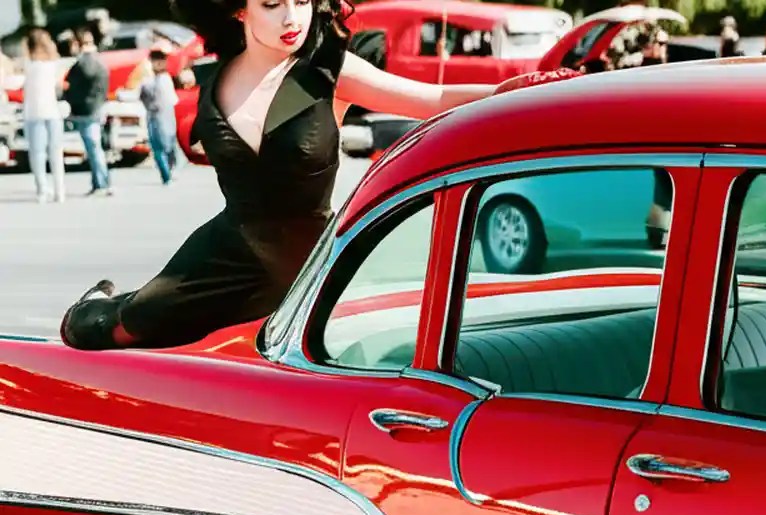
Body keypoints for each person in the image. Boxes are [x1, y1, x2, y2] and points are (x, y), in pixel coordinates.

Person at [59, 0, 580, 351]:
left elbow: (435, 100)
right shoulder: (215, 80)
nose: (292, 16)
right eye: (272, 3)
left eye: (302, 0)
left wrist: (528, 89)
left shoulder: (329, 72)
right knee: (110, 331)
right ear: (240, 9)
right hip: (223, 250)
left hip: (307, 256)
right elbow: (208, 147)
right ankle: (100, 300)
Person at [64, 26, 113, 196]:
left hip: (86, 111)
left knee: (93, 149)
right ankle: (100, 182)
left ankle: (101, 184)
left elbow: (71, 85)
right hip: (96, 108)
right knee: (95, 148)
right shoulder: (99, 62)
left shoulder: (84, 63)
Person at [21, 28, 66, 204]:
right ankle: (59, 190)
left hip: (34, 114)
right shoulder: (55, 65)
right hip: (53, 112)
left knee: (38, 154)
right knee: (56, 154)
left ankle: (42, 190)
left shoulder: (28, 66)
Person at [138, 48, 180, 185]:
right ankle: (169, 172)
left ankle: (167, 174)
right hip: (165, 116)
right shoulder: (162, 79)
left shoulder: (157, 80)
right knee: (166, 146)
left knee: (159, 148)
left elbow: (147, 97)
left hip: (158, 117)